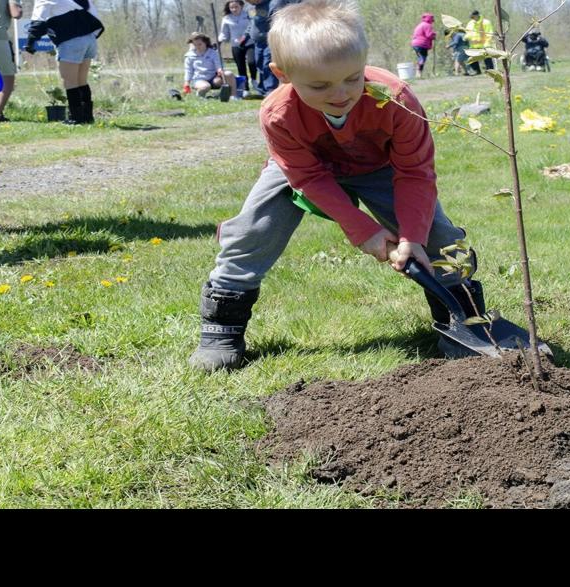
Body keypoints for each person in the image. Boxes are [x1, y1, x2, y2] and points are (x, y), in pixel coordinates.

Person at [188, 1, 481, 373]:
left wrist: (413, 237)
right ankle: (222, 328)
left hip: (380, 168)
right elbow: (308, 178)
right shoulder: (278, 114)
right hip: (303, 170)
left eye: (352, 78)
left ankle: (464, 321)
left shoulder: (396, 100)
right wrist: (363, 231)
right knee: (251, 230)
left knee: (438, 236)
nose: (341, 93)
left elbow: (415, 173)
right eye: (320, 85)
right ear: (282, 74)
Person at [25, 0, 103, 125]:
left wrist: (30, 41)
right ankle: (87, 117)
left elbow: (38, 20)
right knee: (81, 80)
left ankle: (76, 117)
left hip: (71, 40)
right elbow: (92, 11)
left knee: (69, 80)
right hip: (89, 39)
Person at [218, 0, 253, 96]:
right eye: (231, 7)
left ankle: (254, 80)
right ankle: (245, 88)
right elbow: (224, 33)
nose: (234, 9)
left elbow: (252, 27)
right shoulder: (226, 18)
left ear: (241, 6)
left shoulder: (248, 15)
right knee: (241, 67)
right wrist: (219, 41)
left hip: (249, 43)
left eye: (236, 7)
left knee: (252, 62)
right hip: (236, 45)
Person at [183, 32, 229, 98]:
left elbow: (218, 64)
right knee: (206, 86)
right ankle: (200, 95)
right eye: (195, 45)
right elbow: (188, 70)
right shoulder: (189, 56)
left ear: (206, 43)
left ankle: (224, 95)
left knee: (225, 78)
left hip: (213, 78)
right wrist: (186, 83)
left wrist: (219, 69)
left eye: (200, 44)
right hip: (199, 79)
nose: (197, 47)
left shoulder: (213, 53)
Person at [464, 9, 493, 74]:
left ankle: (491, 71)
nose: (472, 18)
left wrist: (487, 43)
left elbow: (489, 33)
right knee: (472, 59)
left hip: (485, 44)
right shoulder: (470, 23)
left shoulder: (486, 22)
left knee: (487, 59)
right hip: (474, 45)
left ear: (477, 15)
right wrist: (466, 37)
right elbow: (468, 32)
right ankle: (477, 71)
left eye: (473, 16)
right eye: (471, 17)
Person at [409, 13, 435, 78]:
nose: (433, 21)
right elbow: (429, 35)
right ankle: (419, 73)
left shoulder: (420, 25)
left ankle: (417, 74)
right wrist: (434, 34)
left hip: (415, 44)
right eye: (432, 19)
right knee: (422, 58)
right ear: (430, 19)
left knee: (420, 58)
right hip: (422, 44)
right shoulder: (428, 25)